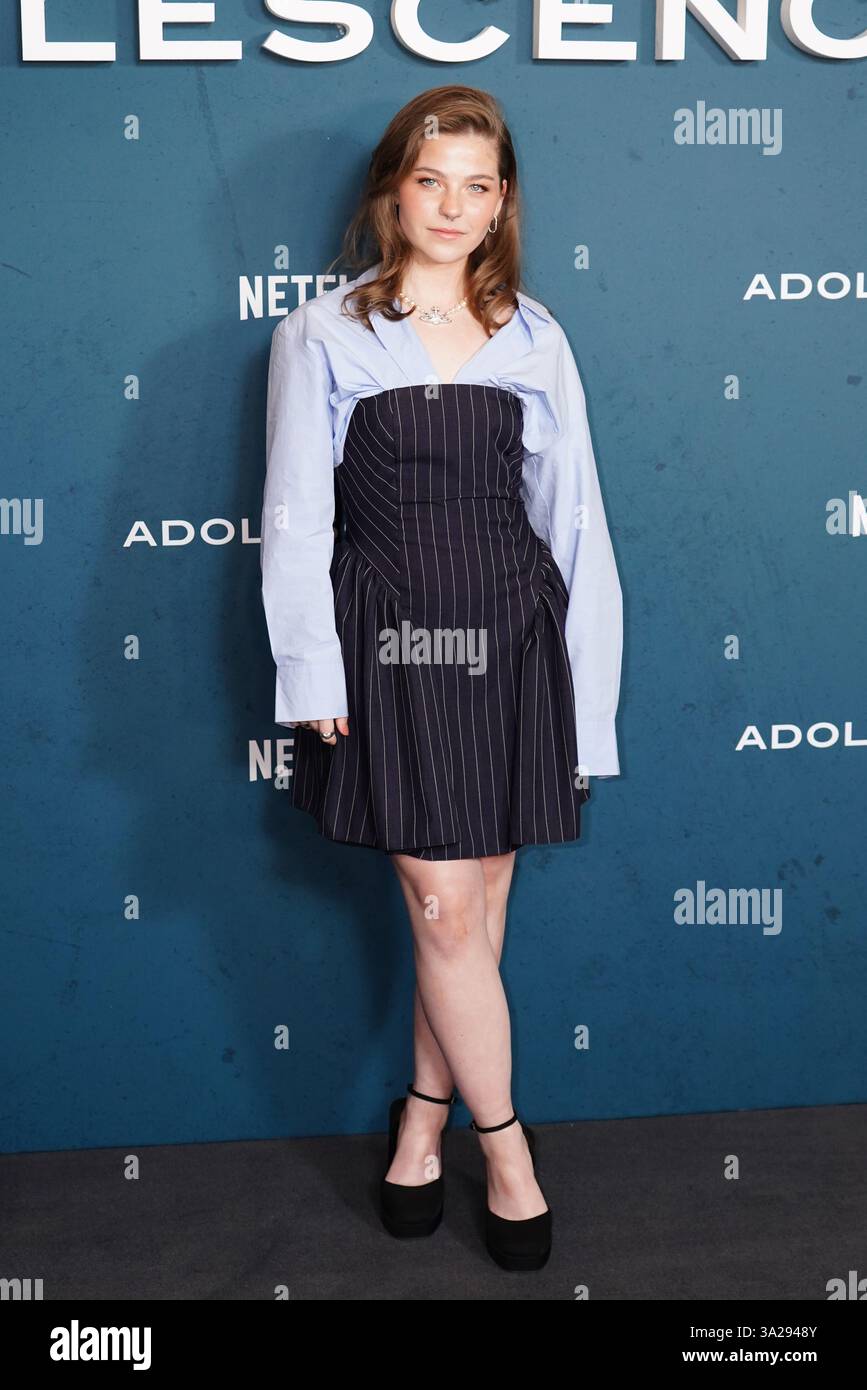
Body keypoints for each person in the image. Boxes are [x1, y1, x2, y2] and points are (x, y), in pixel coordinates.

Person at [260, 85, 623, 1271]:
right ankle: (508, 1150)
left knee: (478, 912)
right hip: (394, 644)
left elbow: (574, 526)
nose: (454, 206)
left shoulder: (535, 332)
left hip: (514, 633)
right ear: (391, 190)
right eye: (432, 181)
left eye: (478, 184)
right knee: (445, 905)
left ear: (503, 200)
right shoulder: (321, 333)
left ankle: (421, 1127)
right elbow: (297, 517)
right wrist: (310, 662)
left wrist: (589, 696)